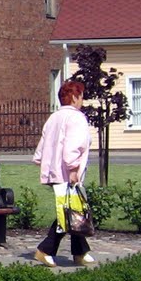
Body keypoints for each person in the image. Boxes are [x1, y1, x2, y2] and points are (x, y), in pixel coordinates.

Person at [32, 79, 95, 266]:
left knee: (70, 210)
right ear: (75, 96)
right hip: (67, 173)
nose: (82, 99)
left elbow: (41, 150)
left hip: (54, 172)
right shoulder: (76, 118)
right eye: (81, 95)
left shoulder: (53, 118)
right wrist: (74, 169)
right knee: (67, 212)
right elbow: (72, 148)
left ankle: (80, 252)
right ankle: (45, 249)